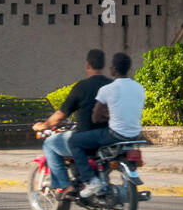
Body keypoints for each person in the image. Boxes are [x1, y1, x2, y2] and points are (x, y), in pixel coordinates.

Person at [32, 48, 110, 197]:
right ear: (103, 65)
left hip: (85, 137)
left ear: (87, 65)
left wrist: (44, 125)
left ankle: (66, 186)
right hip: (106, 137)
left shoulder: (82, 87)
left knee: (50, 144)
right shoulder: (111, 85)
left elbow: (60, 115)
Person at [70, 52, 145, 198]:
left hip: (114, 135)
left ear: (114, 69)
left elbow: (95, 118)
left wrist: (106, 116)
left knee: (74, 142)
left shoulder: (108, 89)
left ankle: (90, 180)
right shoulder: (139, 87)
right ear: (128, 69)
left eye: (111, 66)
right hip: (135, 135)